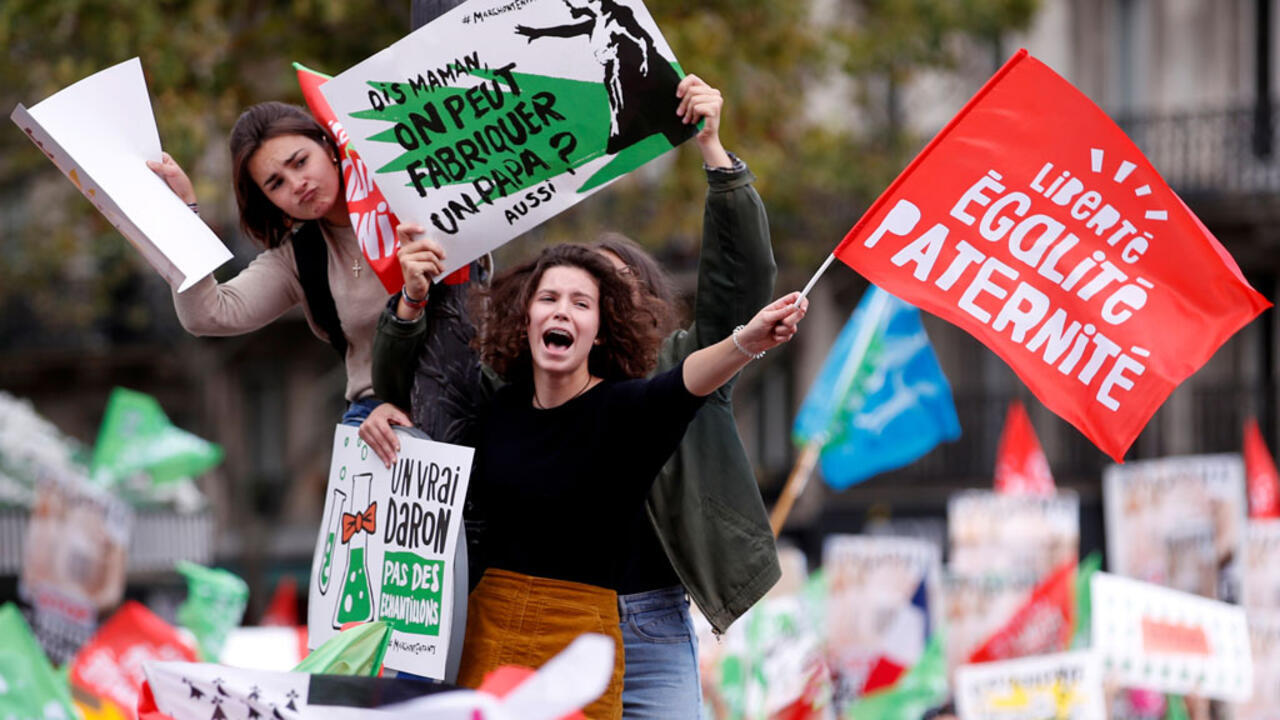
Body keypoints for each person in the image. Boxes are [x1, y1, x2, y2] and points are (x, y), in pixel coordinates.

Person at [364, 74, 780, 717]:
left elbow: (743, 293)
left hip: (647, 622)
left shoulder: (676, 373)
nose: (573, 308)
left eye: (597, 296)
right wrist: (404, 332)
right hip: (520, 616)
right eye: (554, 294)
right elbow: (428, 386)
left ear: (630, 311)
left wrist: (716, 156)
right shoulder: (513, 391)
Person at [147, 101, 394, 426]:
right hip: (378, 427)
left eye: (301, 162)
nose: (297, 183)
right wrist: (183, 217)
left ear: (328, 146)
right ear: (268, 199)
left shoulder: (407, 196)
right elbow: (206, 314)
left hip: (464, 398)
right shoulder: (301, 258)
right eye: (276, 183)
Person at [515, 0, 693, 154]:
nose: (567, 4)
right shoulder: (596, 22)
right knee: (626, 115)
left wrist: (644, 61)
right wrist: (537, 32)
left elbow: (643, 39)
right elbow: (568, 30)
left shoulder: (618, 14)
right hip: (617, 76)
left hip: (633, 75)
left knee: (663, 117)